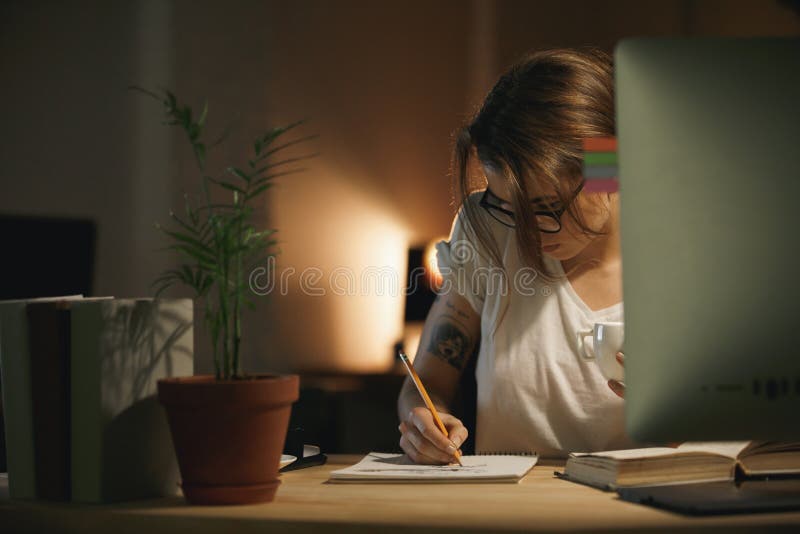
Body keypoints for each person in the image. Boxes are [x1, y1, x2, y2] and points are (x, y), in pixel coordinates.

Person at [397, 48, 637, 464]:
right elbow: (429, 381)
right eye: (508, 206)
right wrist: (422, 419)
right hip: (508, 507)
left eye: (547, 208)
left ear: (608, 169)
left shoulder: (681, 253)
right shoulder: (486, 228)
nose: (526, 233)